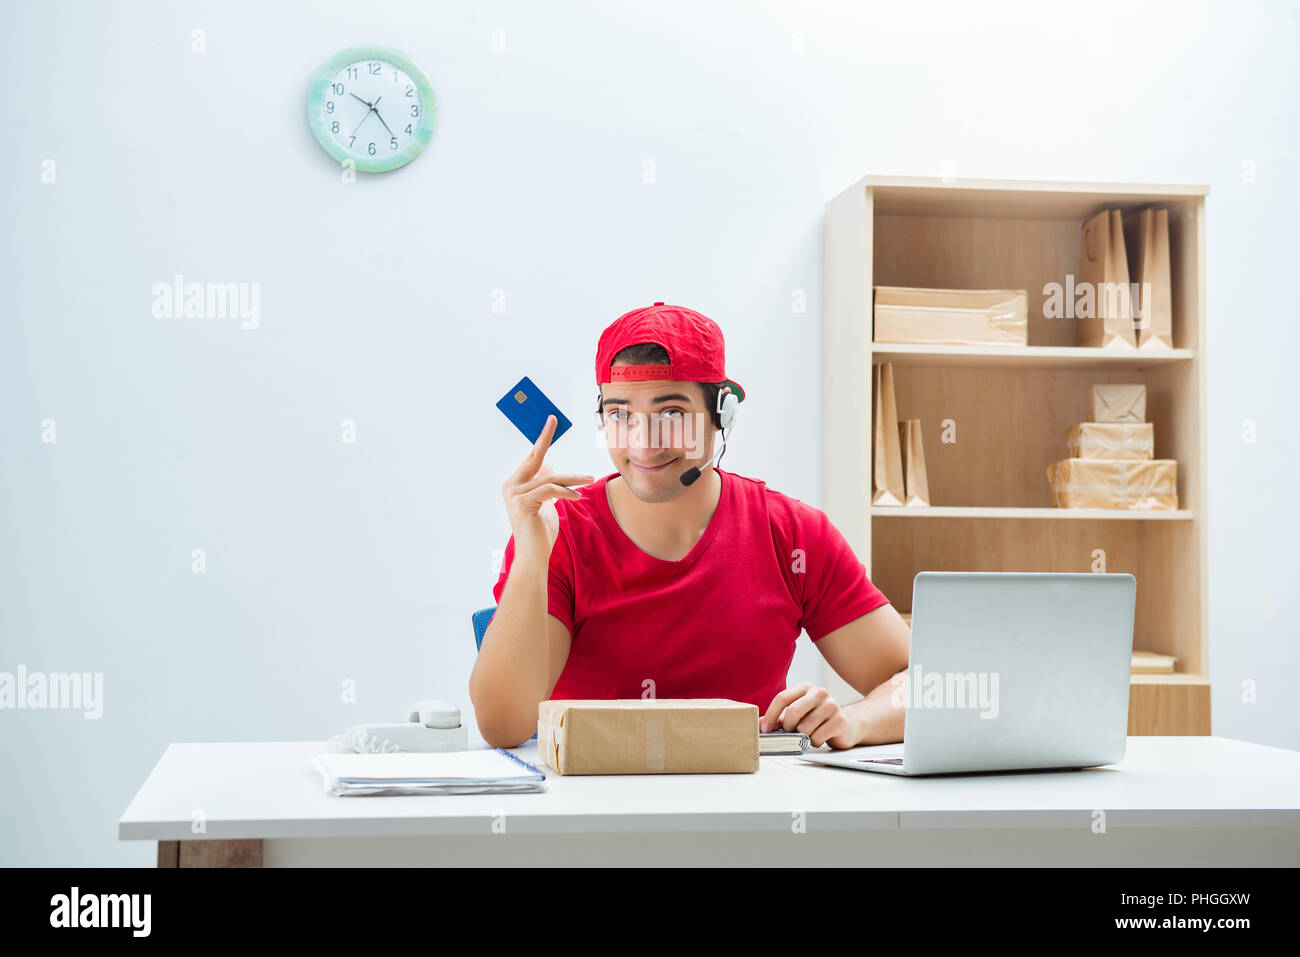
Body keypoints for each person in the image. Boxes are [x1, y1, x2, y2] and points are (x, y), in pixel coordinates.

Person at [469, 302, 910, 749]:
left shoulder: (793, 534)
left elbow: (927, 684)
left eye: (672, 413)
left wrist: (856, 723)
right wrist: (530, 556)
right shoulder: (556, 530)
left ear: (723, 415)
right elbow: (504, 727)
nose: (643, 442)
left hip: (747, 806)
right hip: (592, 807)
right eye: (621, 414)